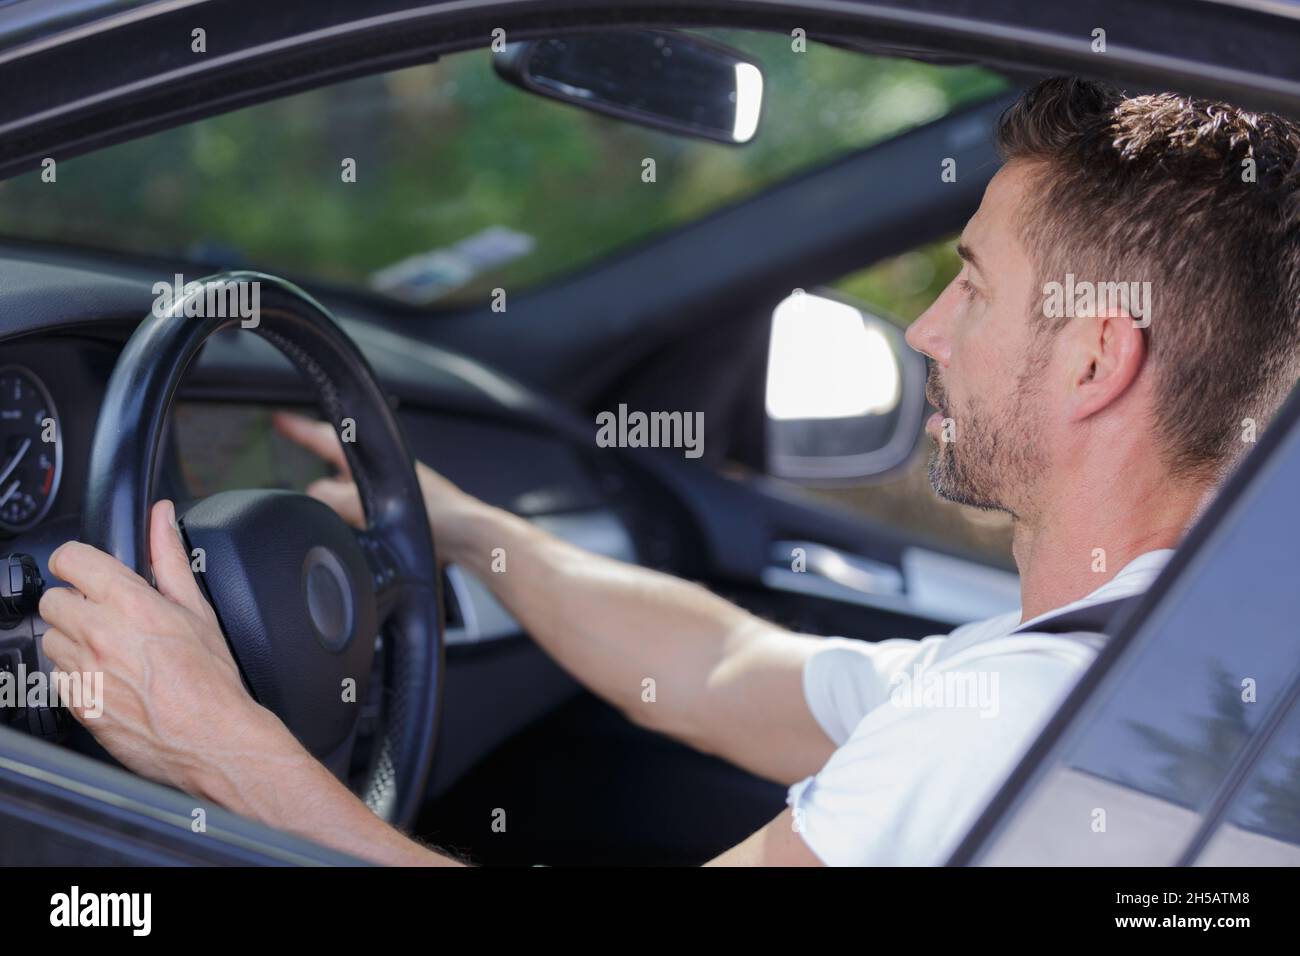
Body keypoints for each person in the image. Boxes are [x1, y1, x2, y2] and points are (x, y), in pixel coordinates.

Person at [37, 77, 1300, 866]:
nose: (924, 331)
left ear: (1092, 360)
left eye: (971, 287)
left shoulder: (1023, 731)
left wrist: (217, 746)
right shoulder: (1116, 663)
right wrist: (470, 534)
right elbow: (724, 673)